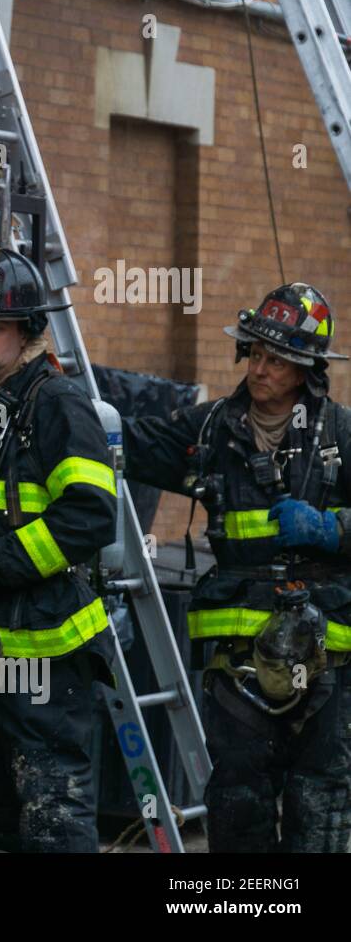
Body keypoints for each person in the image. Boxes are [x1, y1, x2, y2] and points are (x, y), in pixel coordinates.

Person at [123, 283, 351, 852]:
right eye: (255, 353)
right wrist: (65, 400)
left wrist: (332, 529)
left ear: (306, 371)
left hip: (327, 669)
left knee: (319, 810)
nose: (262, 369)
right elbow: (121, 443)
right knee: (237, 809)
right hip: (238, 673)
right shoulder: (208, 430)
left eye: (278, 360)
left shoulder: (341, 436)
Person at [0, 246, 117, 852]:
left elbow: (88, 517)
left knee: (52, 821)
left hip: (46, 657)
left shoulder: (58, 404)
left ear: (29, 331)